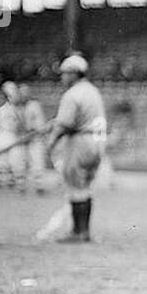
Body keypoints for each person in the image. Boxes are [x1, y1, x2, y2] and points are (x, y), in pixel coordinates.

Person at [44, 54, 106, 243]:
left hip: (79, 142)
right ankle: (84, 231)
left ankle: (77, 232)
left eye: (64, 73)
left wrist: (51, 141)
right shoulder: (93, 91)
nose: (62, 77)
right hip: (96, 142)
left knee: (75, 186)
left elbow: (65, 124)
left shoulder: (72, 94)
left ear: (74, 74)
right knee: (85, 187)